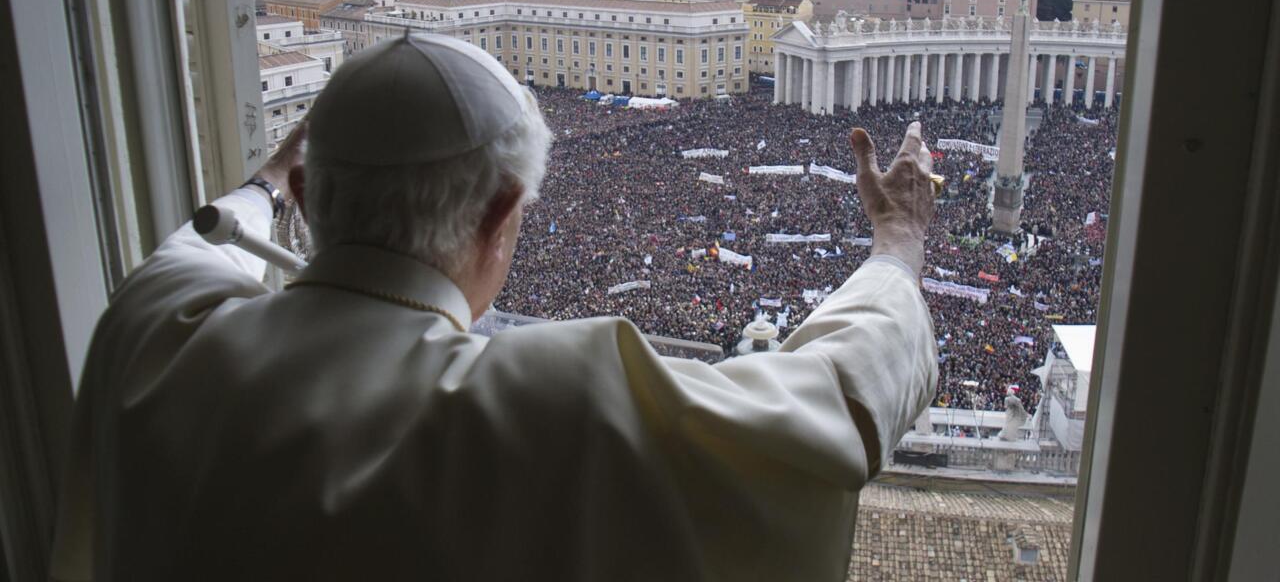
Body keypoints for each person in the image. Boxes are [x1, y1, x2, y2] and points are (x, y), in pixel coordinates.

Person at [51, 33, 938, 581]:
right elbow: (838, 408)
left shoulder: (153, 332)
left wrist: (262, 186)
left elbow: (196, 243)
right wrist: (896, 247)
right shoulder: (557, 402)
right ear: (502, 217)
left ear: (311, 199)